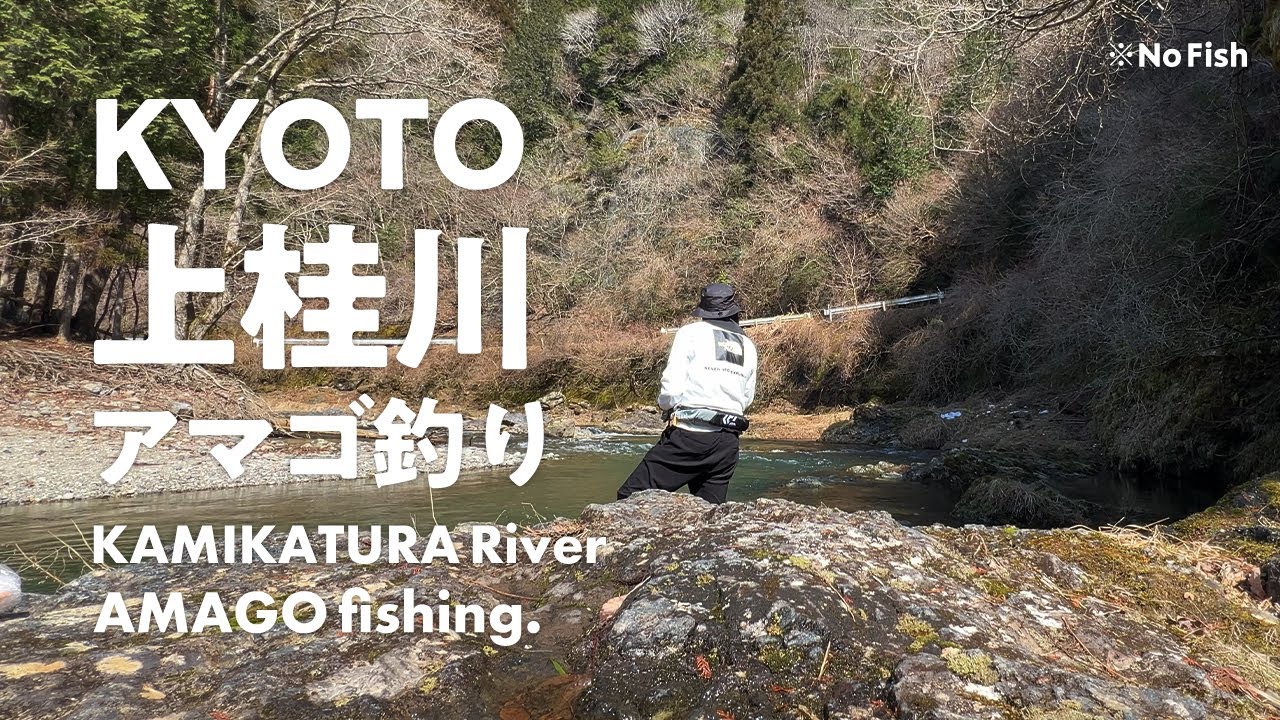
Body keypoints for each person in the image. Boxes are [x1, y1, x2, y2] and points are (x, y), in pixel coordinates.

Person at [616, 283, 758, 504]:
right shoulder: (747, 345)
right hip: (728, 443)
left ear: (704, 310)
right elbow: (747, 397)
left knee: (630, 497)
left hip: (690, 435)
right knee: (710, 514)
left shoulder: (690, 333)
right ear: (733, 311)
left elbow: (671, 390)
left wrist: (665, 406)